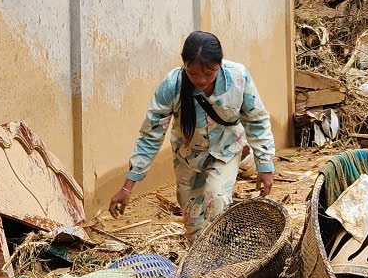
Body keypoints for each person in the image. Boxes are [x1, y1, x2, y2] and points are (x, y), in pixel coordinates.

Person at [108, 31, 276, 240]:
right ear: (184, 64)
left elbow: (257, 120)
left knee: (218, 201)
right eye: (193, 73)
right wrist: (127, 186)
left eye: (209, 74)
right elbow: (151, 136)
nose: (201, 80)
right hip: (187, 158)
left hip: (225, 151)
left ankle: (222, 260)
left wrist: (265, 165)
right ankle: (200, 265)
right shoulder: (172, 85)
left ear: (220, 64)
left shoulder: (238, 78)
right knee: (192, 218)